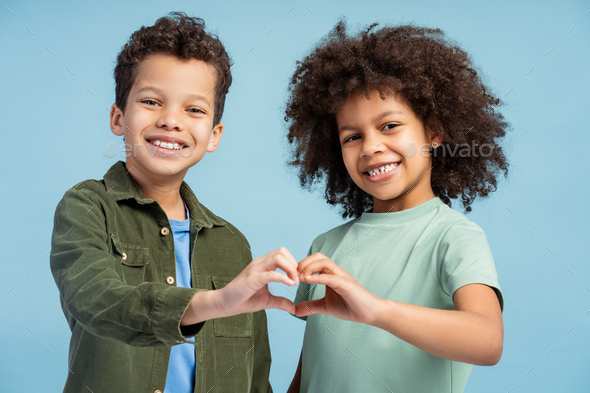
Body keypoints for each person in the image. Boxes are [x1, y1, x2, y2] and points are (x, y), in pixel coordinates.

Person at [50, 12, 299, 393]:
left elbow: (255, 377)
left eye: (194, 109)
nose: (171, 120)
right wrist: (215, 301)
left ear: (213, 134)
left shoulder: (232, 244)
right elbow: (95, 300)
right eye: (151, 101)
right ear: (118, 118)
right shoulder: (87, 207)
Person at [284, 20, 507, 393]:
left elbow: (488, 341)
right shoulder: (326, 247)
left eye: (389, 126)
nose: (370, 147)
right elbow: (314, 368)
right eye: (352, 136)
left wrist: (376, 310)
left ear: (433, 131)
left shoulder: (452, 237)